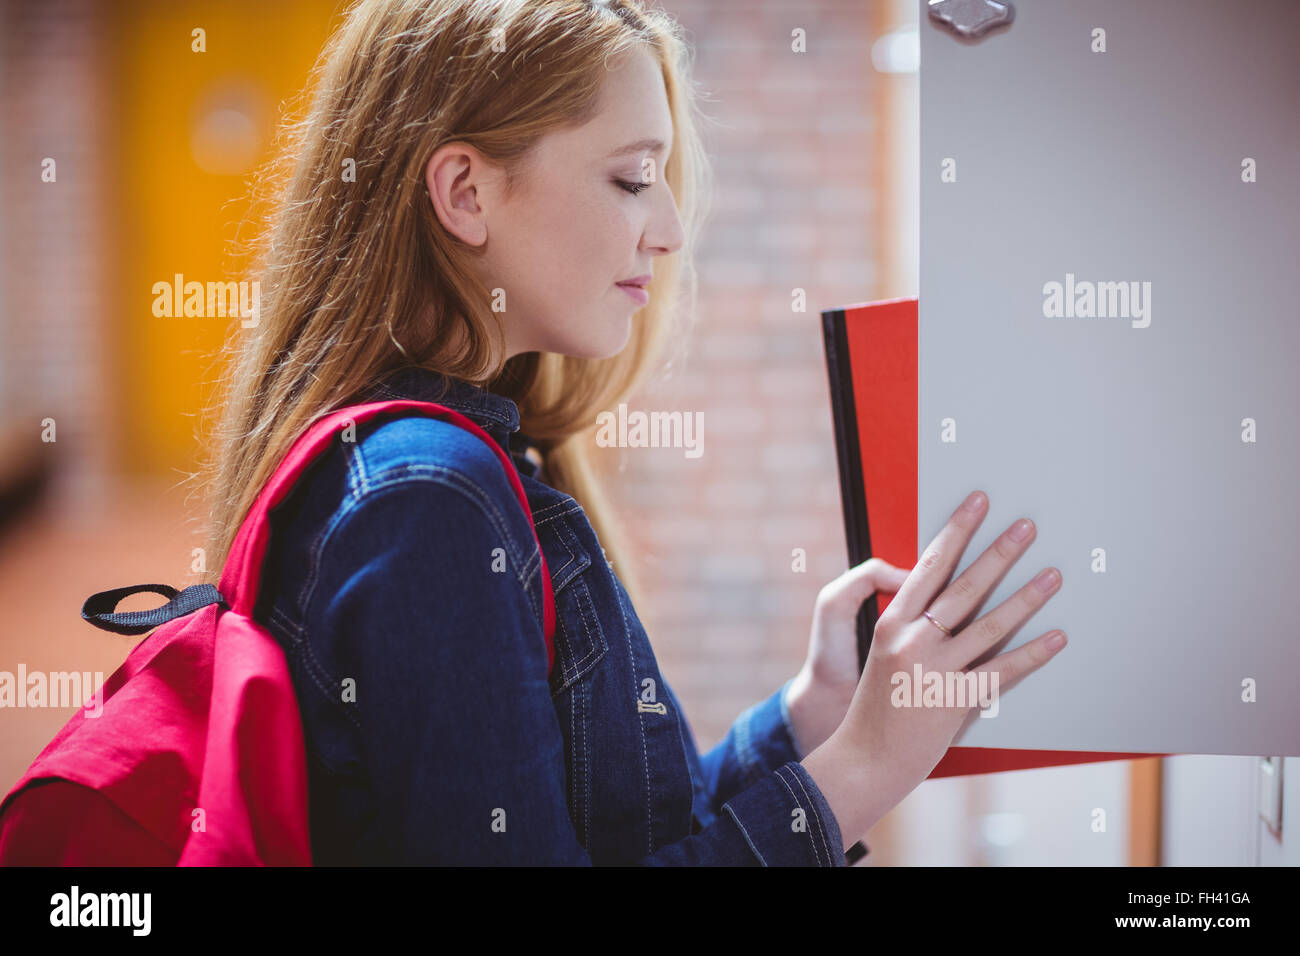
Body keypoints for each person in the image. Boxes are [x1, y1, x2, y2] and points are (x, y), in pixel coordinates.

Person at [199, 0, 1066, 865]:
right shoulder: (429, 497)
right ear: (465, 193)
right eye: (631, 179)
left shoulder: (452, 469)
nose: (671, 230)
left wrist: (812, 714)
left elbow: (617, 839)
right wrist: (865, 769)